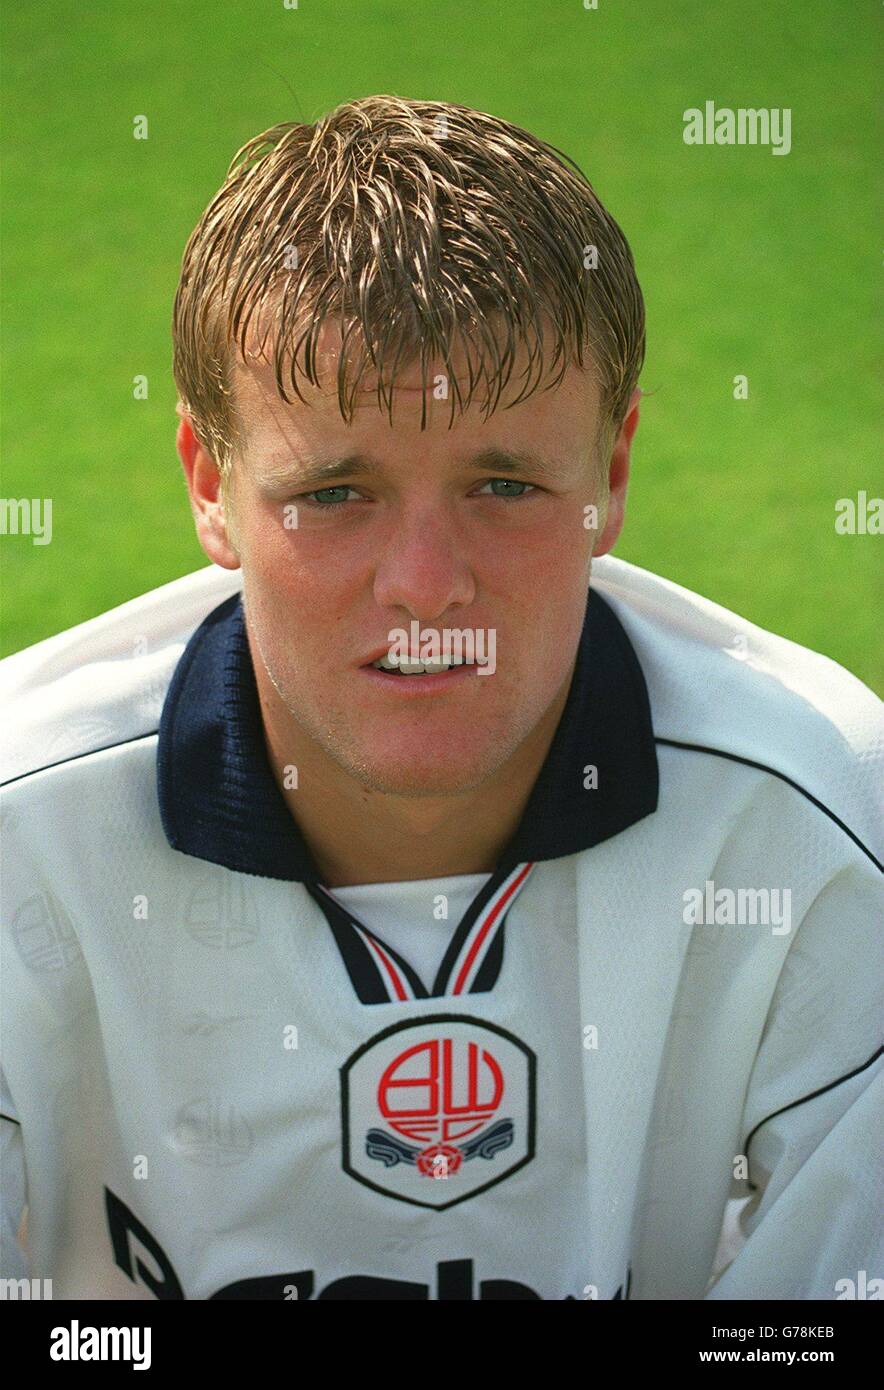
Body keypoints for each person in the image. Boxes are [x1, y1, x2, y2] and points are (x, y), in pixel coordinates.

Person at [1, 94, 881, 1301]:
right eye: (333, 494)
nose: (424, 585)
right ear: (210, 485)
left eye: (503, 485)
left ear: (610, 471)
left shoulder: (827, 818)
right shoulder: (20, 831)